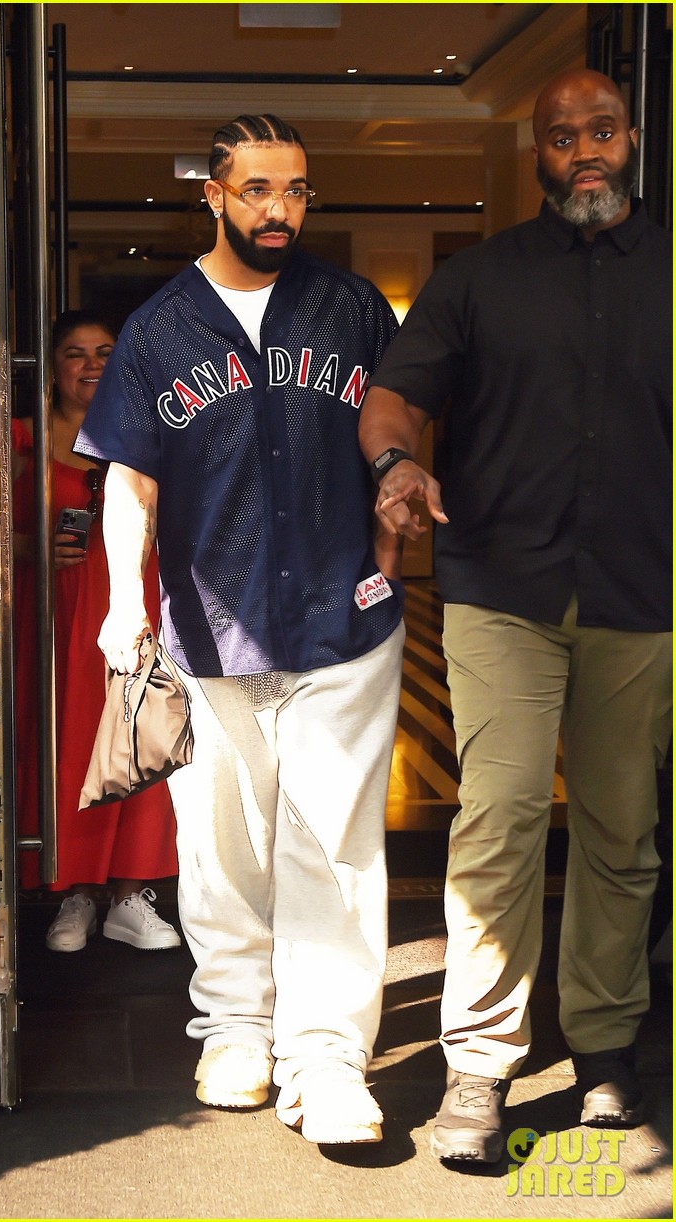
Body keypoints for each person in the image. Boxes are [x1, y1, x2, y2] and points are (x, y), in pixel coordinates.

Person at [358, 68, 672, 1163]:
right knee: (493, 821)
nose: (582, 150)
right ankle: (481, 1068)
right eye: (560, 137)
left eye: (600, 131)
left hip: (644, 591)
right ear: (536, 154)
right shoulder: (477, 282)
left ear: (631, 138)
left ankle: (602, 1046)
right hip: (504, 593)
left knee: (621, 834)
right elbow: (394, 393)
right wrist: (396, 459)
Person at [74, 115, 405, 1145]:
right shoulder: (161, 329)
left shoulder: (350, 307)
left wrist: (393, 526)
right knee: (220, 846)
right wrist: (129, 606)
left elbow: (394, 427)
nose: (280, 210)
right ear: (213, 194)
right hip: (207, 627)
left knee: (332, 843)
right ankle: (236, 1025)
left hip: (341, 619)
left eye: (297, 190)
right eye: (258, 190)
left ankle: (327, 1055)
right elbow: (131, 481)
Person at [11, 310, 180, 954]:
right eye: (75, 353)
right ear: (52, 367)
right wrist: (30, 546)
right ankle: (72, 892)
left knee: (140, 737)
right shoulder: (22, 436)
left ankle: (131, 893)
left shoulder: (151, 431)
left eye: (104, 352)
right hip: (56, 611)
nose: (91, 365)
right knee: (71, 744)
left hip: (137, 601)